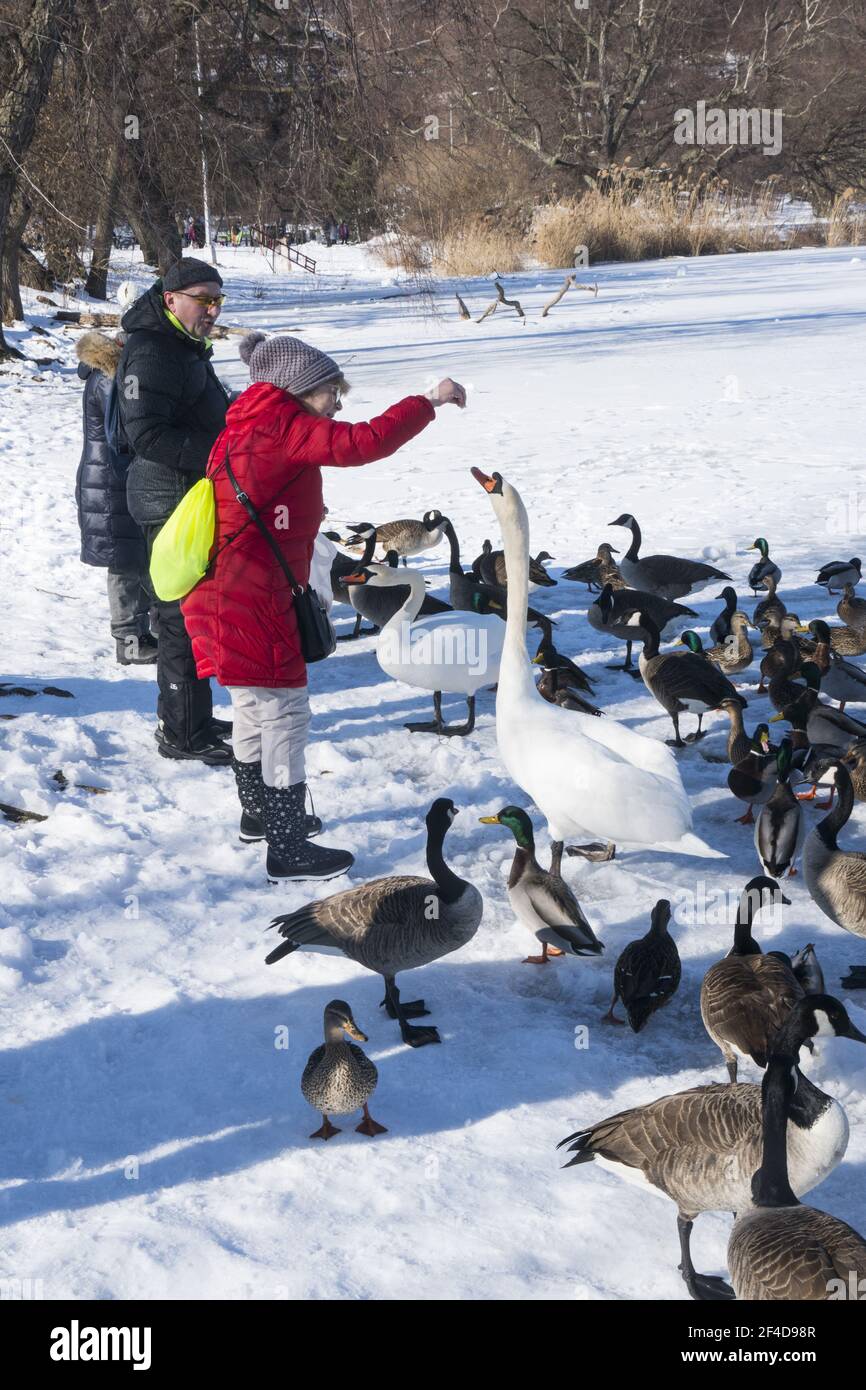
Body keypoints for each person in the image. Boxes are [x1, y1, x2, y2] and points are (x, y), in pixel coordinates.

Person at [180, 332, 466, 883]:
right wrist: (428, 400)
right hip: (253, 597)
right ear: (300, 388)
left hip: (230, 591)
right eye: (332, 391)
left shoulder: (245, 422)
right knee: (284, 711)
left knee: (253, 708)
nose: (337, 403)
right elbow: (364, 443)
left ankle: (259, 815)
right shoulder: (281, 425)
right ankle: (287, 847)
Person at [119, 257, 232, 765]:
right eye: (203, 299)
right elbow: (146, 435)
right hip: (167, 503)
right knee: (178, 619)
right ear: (171, 300)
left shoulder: (181, 346)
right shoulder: (153, 353)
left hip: (189, 499)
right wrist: (217, 453)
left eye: (217, 300)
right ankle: (183, 733)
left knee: (193, 615)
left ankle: (191, 716)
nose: (212, 310)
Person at [75, 330, 157, 665]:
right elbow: (127, 433)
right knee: (124, 562)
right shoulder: (112, 379)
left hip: (113, 477)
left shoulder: (113, 374)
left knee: (138, 555)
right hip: (112, 482)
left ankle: (144, 633)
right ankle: (130, 643)